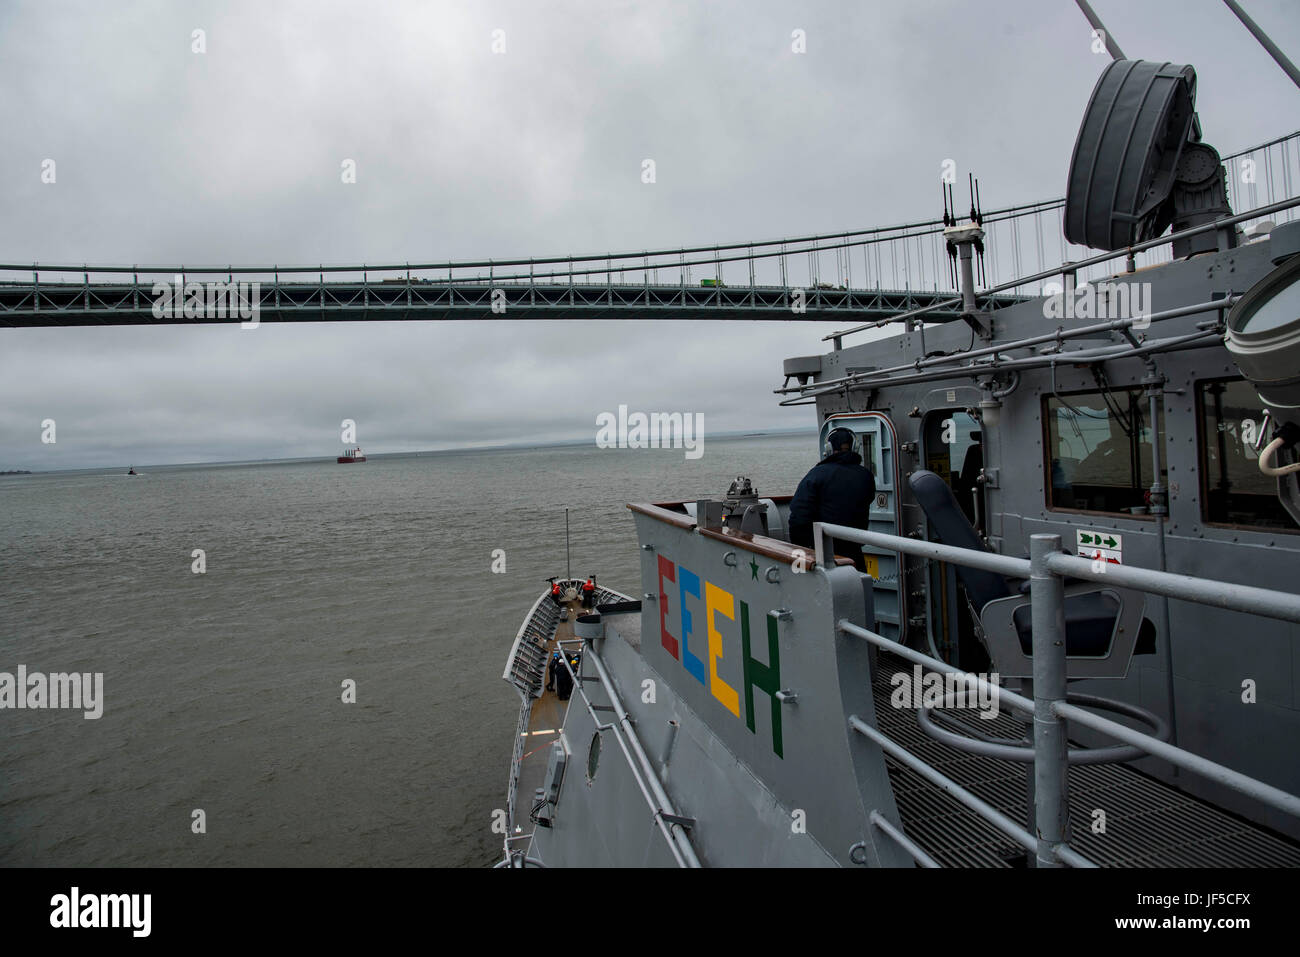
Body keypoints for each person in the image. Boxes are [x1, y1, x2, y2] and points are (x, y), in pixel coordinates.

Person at [788, 427, 876, 571]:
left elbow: (798, 516)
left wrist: (803, 551)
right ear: (855, 448)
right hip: (854, 554)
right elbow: (868, 499)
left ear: (828, 450)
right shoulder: (866, 476)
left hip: (825, 556)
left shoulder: (816, 475)